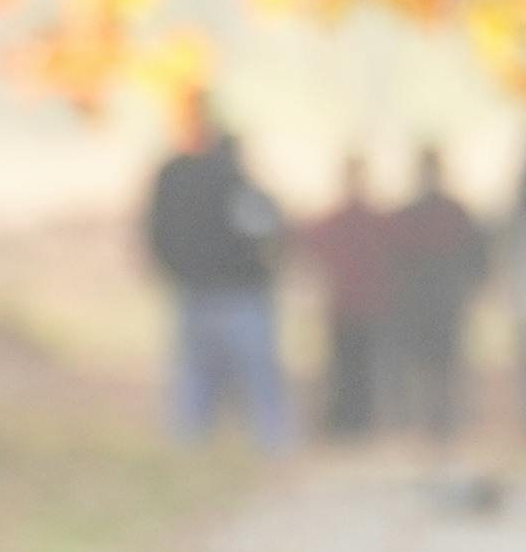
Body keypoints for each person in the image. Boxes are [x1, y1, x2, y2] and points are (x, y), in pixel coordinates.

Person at [137, 96, 290, 448]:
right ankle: (271, 453)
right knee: (256, 382)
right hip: (237, 296)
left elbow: (157, 234)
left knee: (196, 387)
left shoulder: (174, 178)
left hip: (196, 293)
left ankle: (192, 455)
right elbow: (268, 232)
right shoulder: (231, 181)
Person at [377, 149, 490, 448]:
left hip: (442, 296)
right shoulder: (415, 214)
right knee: (420, 364)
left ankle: (444, 423)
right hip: (418, 299)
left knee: (443, 364)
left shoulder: (455, 213)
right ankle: (423, 423)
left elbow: (476, 257)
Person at [300, 165, 396, 439]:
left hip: (353, 303)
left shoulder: (348, 220)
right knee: (352, 367)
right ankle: (351, 423)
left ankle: (352, 423)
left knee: (352, 367)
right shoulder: (369, 220)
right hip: (352, 303)